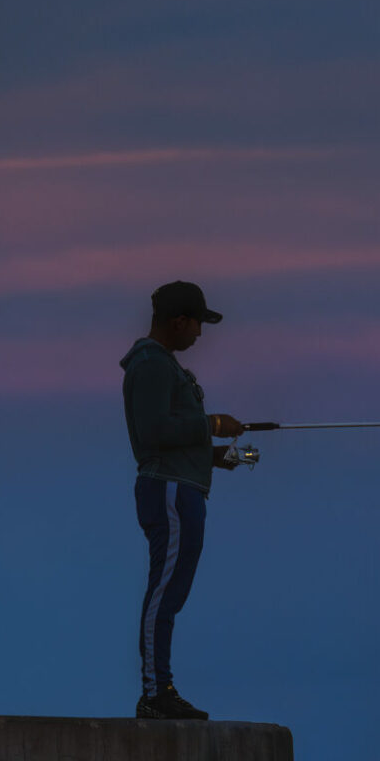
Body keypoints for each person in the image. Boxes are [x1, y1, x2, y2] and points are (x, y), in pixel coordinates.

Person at [119, 281, 246, 720]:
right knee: (164, 593)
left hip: (182, 488)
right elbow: (154, 433)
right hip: (170, 492)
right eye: (197, 323)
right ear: (179, 321)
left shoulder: (162, 365)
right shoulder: (151, 365)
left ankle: (162, 689)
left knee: (171, 592)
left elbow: (168, 436)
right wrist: (211, 423)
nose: (199, 334)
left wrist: (215, 458)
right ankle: (156, 693)